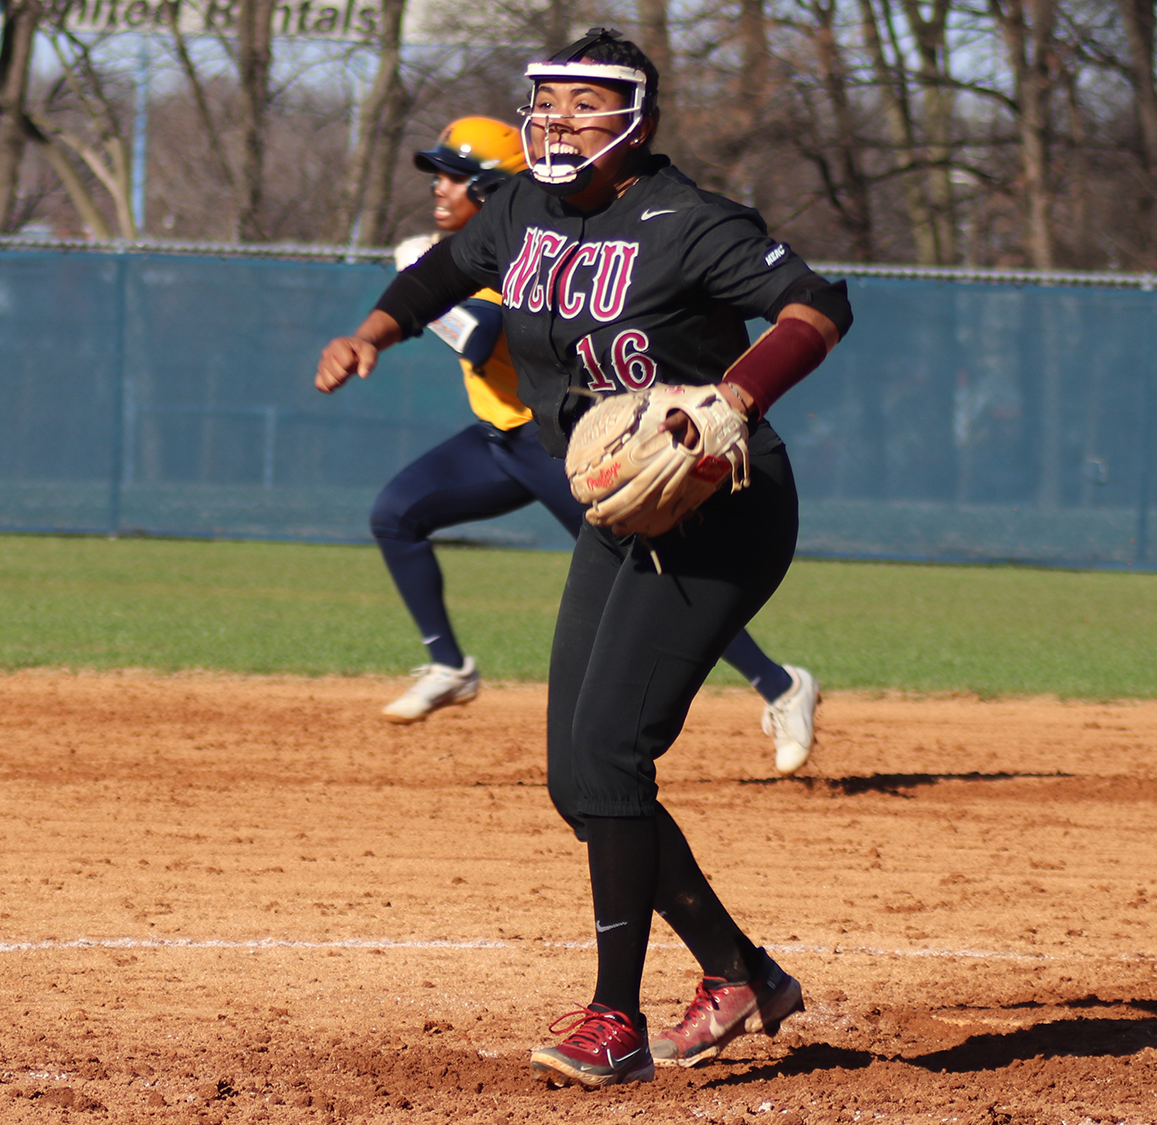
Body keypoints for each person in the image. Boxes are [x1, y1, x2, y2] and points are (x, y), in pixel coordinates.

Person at [312, 29, 851, 1087]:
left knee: (609, 762)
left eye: (581, 103)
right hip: (621, 511)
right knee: (578, 781)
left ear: (635, 118)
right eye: (545, 101)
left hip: (721, 507)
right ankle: (737, 971)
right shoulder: (516, 210)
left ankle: (615, 1019)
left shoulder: (688, 223)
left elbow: (818, 304)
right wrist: (372, 330)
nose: (556, 119)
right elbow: (440, 273)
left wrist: (735, 396)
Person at [328, 114, 821, 776]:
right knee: (395, 513)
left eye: (454, 177)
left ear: (491, 188)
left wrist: (433, 296)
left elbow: (478, 334)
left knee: (645, 580)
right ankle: (449, 664)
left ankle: (778, 683)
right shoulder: (478, 246)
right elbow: (435, 290)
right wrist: (399, 306)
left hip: (574, 448)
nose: (438, 189)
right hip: (497, 439)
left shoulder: (545, 248)